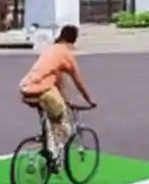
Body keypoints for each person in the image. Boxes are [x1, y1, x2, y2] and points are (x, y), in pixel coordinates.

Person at [18, 24, 95, 160]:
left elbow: (58, 85)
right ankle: (52, 153)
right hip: (42, 89)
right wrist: (89, 99)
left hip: (26, 88)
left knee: (51, 118)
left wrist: (64, 99)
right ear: (72, 40)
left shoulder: (51, 49)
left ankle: (47, 145)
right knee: (63, 121)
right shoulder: (65, 53)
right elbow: (78, 81)